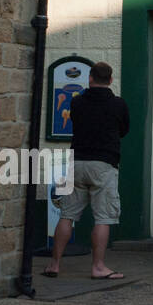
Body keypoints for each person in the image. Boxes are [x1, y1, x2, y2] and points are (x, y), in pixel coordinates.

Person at [44, 62, 130, 280]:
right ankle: (98, 267)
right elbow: (124, 130)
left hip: (78, 162)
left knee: (67, 215)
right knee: (102, 218)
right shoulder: (118, 104)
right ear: (110, 80)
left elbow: (75, 122)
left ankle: (54, 264)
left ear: (90, 78)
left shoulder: (77, 102)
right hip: (104, 164)